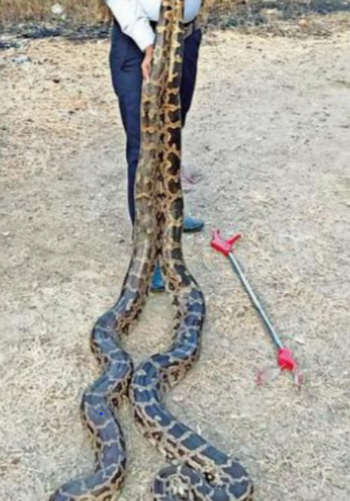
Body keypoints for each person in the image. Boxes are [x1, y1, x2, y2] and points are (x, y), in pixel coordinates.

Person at [105, 0, 206, 292]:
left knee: (172, 130)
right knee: (144, 145)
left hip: (184, 37)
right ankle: (148, 248)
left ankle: (170, 217)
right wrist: (149, 43)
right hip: (140, 41)